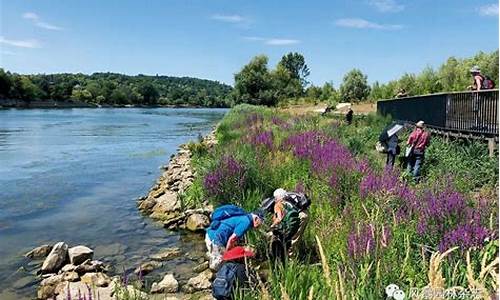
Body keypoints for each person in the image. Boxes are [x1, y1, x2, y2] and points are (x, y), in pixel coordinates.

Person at [267, 188, 310, 257]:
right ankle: (289, 253)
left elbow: (279, 218)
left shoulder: (278, 203)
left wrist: (271, 227)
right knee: (293, 235)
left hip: (301, 216)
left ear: (276, 198)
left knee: (294, 238)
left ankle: (291, 258)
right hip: (305, 212)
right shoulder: (290, 196)